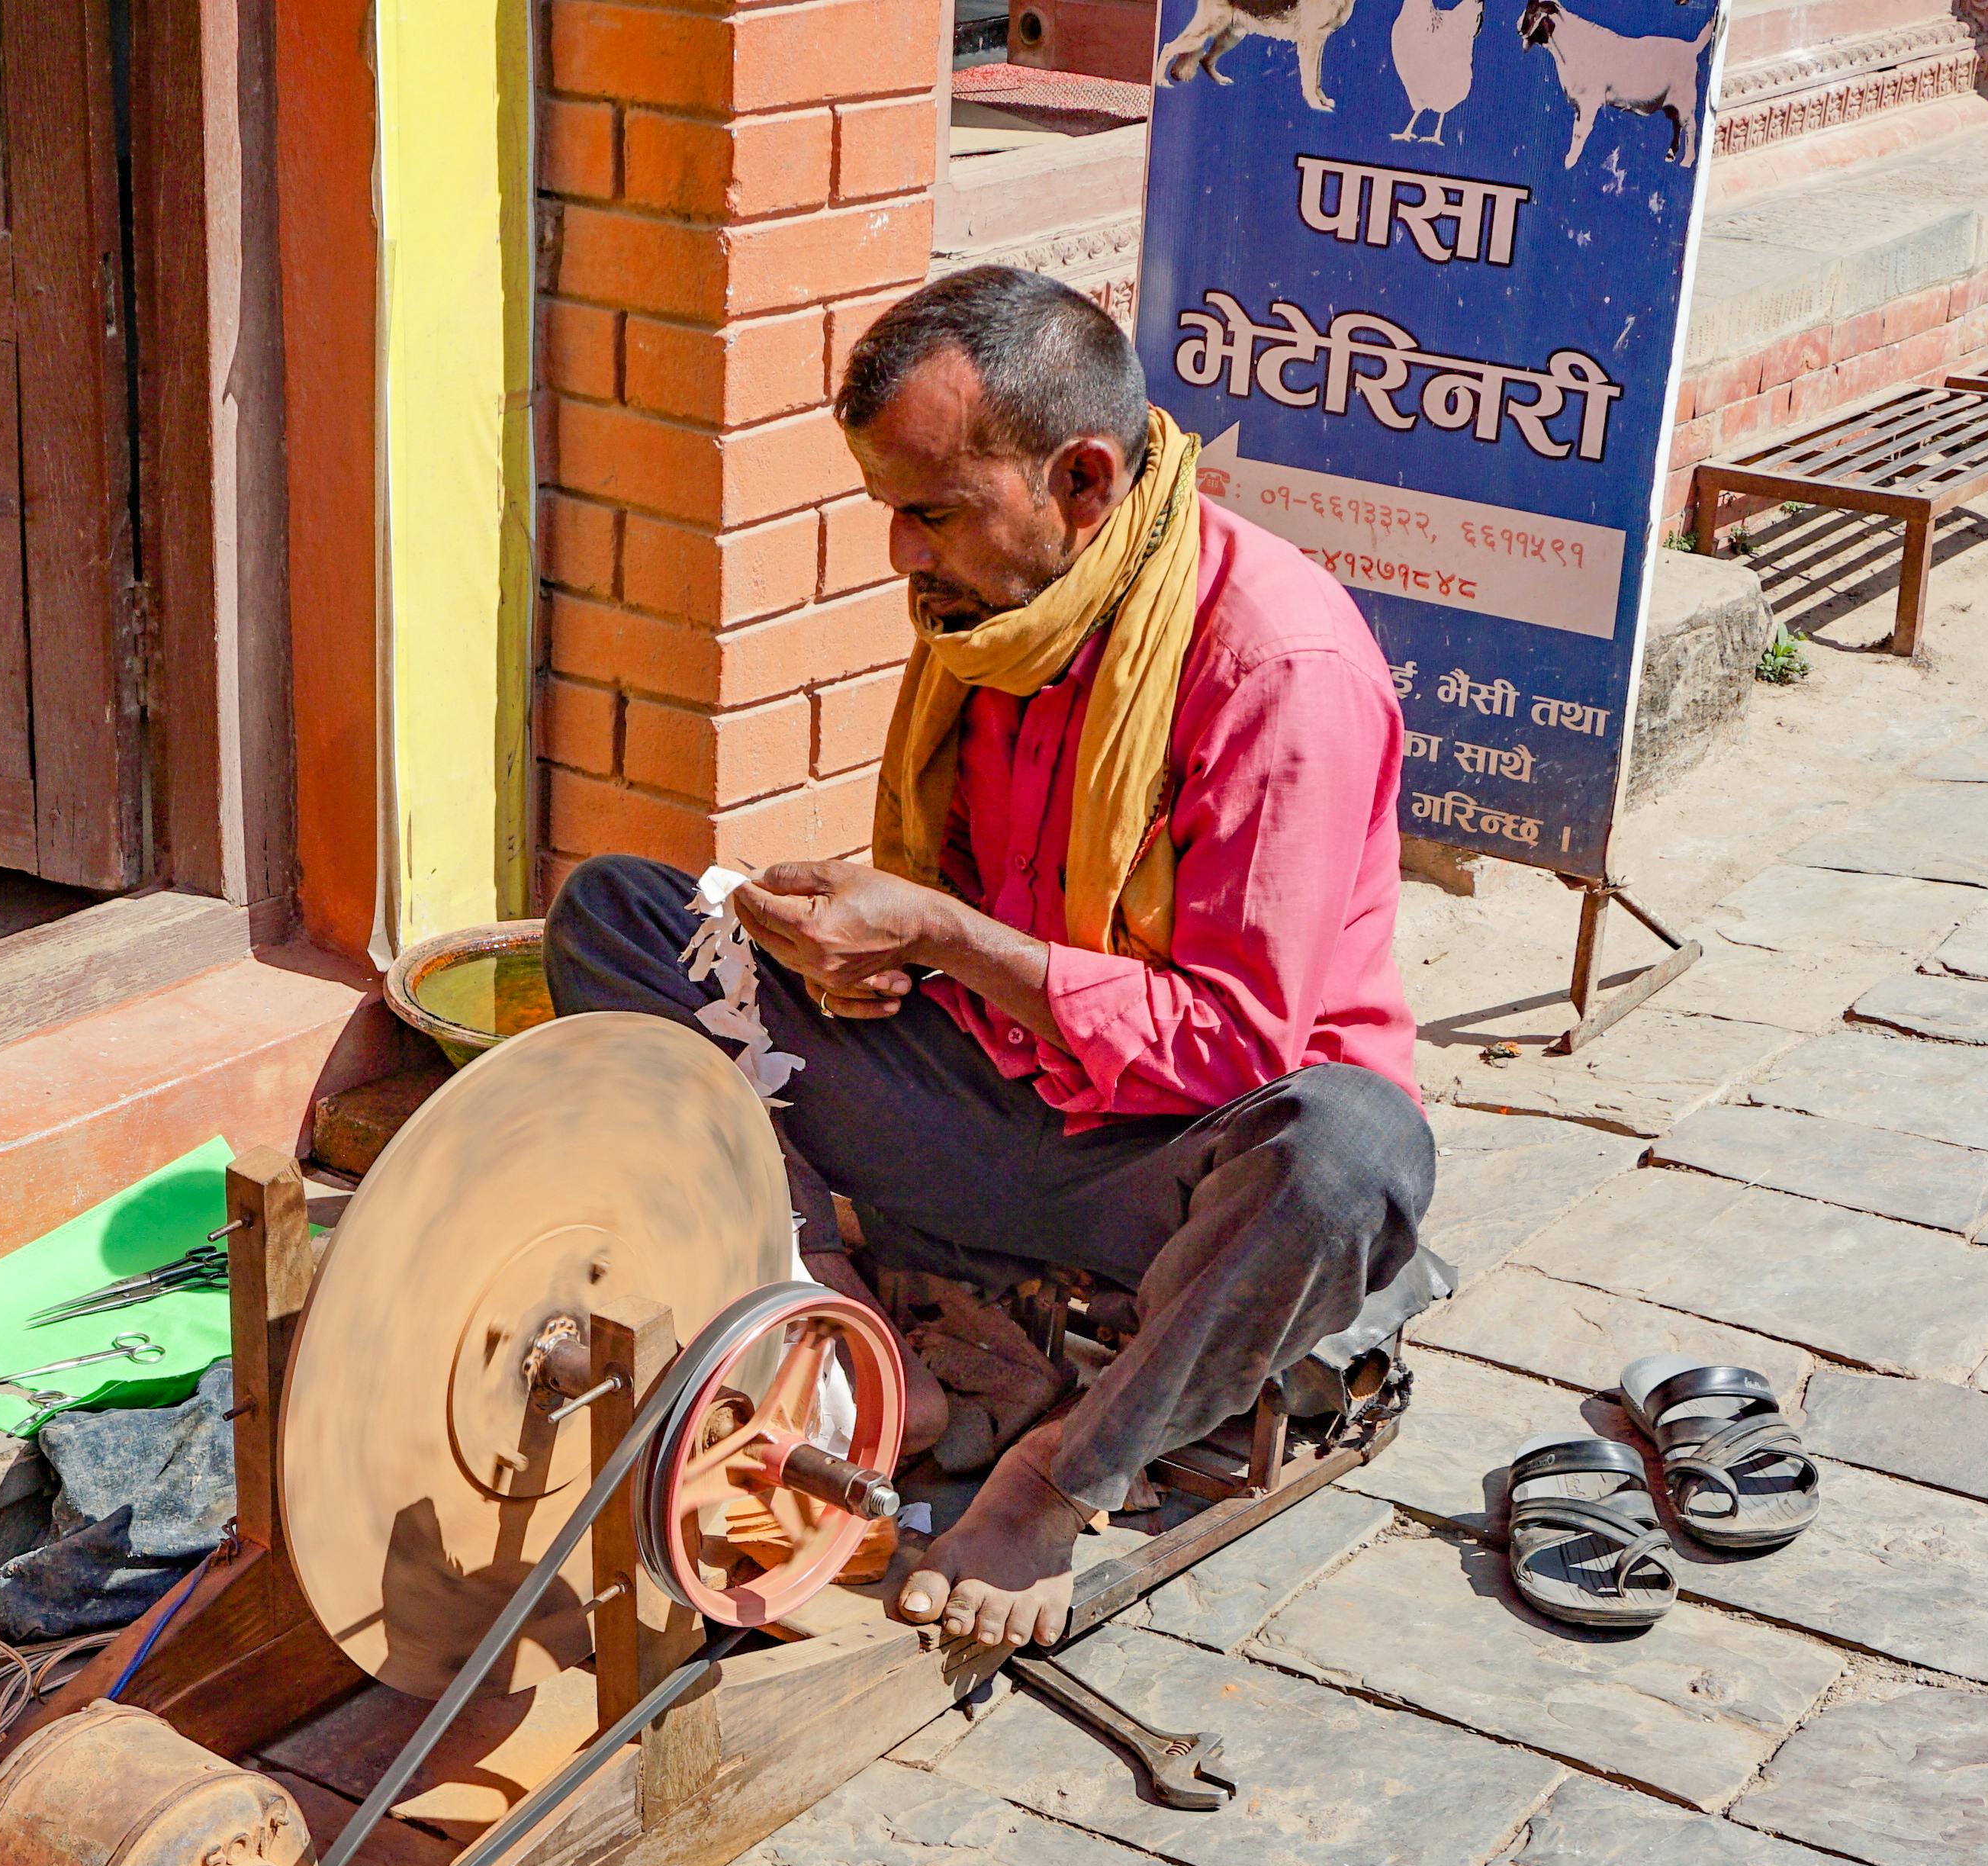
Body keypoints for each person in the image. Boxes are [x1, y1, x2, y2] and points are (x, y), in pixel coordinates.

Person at [545, 263, 1440, 1652]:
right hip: (987, 1100)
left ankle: (1054, 1474)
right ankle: (824, 1299)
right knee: (620, 914)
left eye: (933, 512)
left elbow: (1234, 1041)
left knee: (1352, 1153)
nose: (902, 556)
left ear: (1084, 480)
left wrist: (953, 938)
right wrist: (869, 962)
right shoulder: (995, 623)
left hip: (1169, 1175)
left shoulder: (1277, 667)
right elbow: (964, 922)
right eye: (892, 511)